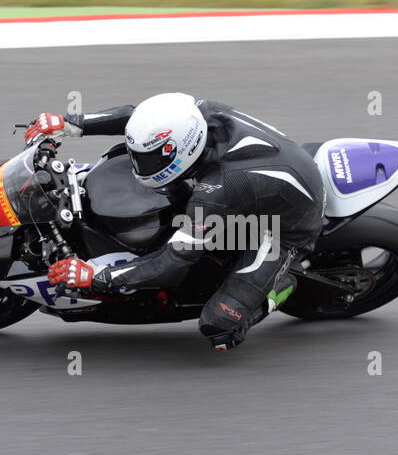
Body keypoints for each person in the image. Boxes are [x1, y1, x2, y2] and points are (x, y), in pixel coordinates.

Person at [23, 93, 324, 351]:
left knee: (219, 327)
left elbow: (173, 262)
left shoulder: (216, 191)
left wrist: (97, 276)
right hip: (268, 180)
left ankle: (285, 281)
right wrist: (70, 123)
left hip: (282, 228)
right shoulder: (192, 114)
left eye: (150, 158)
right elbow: (136, 117)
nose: (140, 165)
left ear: (181, 150)